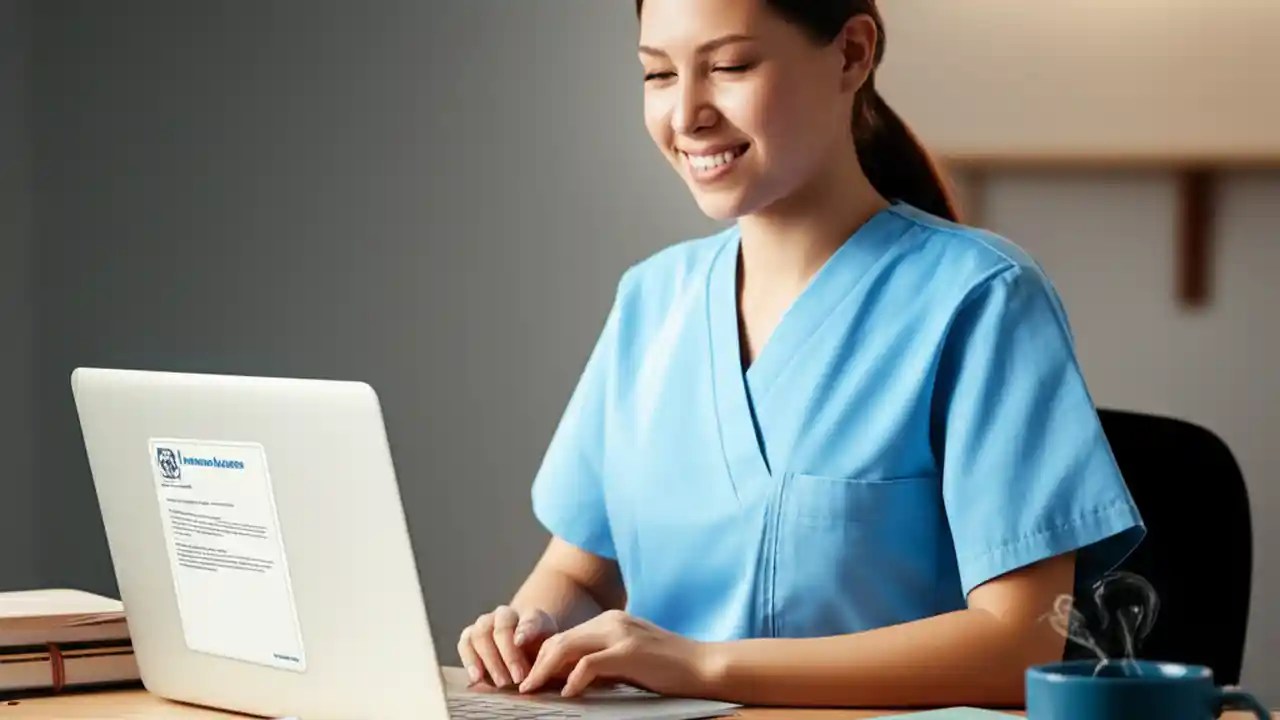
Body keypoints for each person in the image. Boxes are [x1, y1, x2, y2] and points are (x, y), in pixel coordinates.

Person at [457, 0, 1145, 708]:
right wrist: (531, 625)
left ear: (851, 53)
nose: (686, 113)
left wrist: (702, 665)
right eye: (657, 75)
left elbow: (1017, 647)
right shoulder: (650, 300)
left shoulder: (983, 297)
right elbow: (581, 574)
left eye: (729, 66)